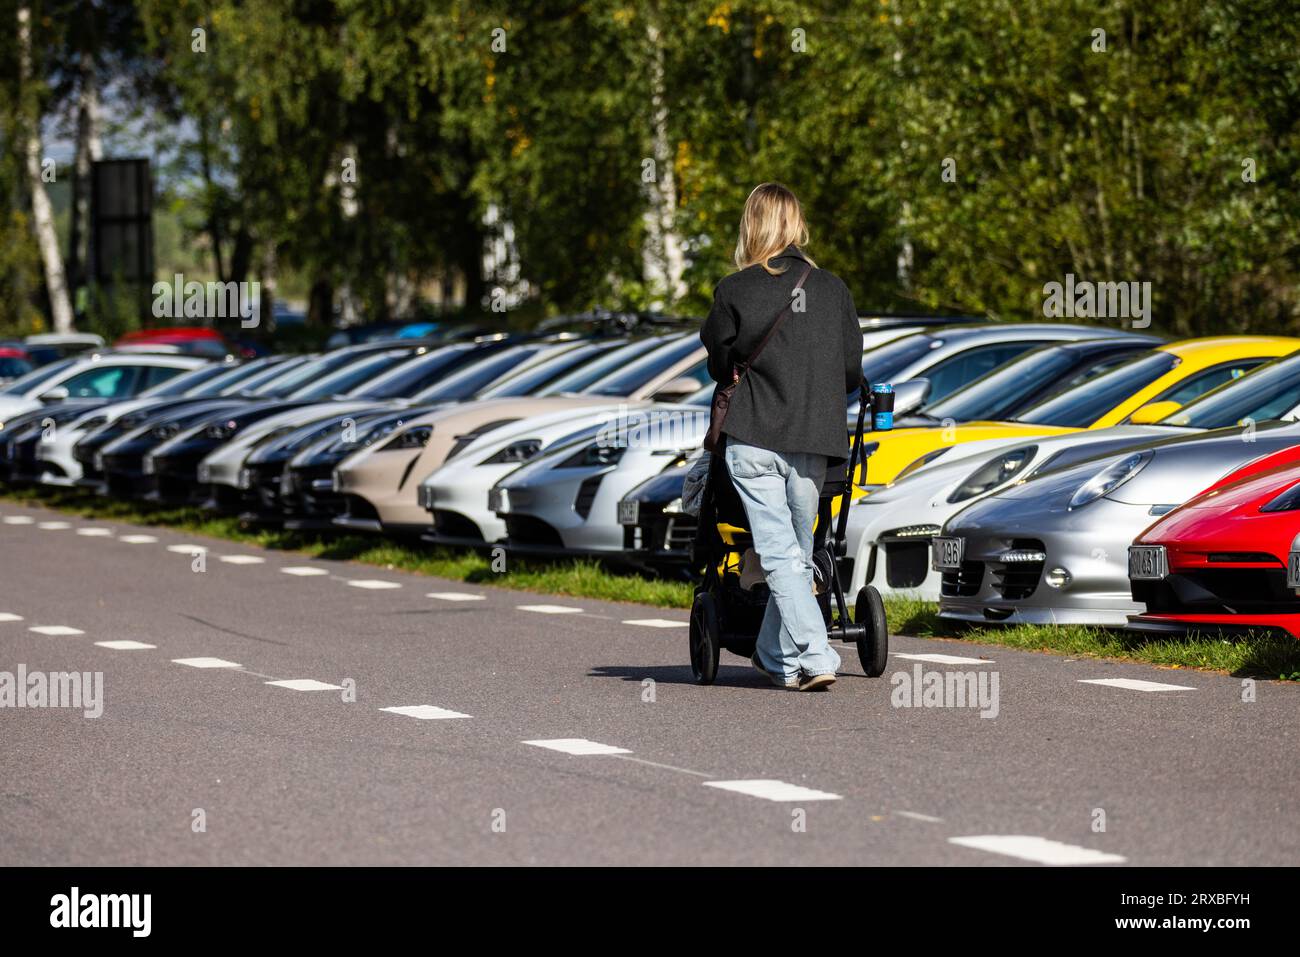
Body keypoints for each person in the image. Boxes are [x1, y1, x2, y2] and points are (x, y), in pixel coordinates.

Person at [700, 183, 862, 691]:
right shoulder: (832, 289)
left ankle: (791, 655)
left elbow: (718, 364)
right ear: (796, 224)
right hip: (814, 440)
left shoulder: (734, 289)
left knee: (782, 554)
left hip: (753, 436)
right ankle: (806, 654)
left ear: (754, 225)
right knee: (790, 551)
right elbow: (852, 369)